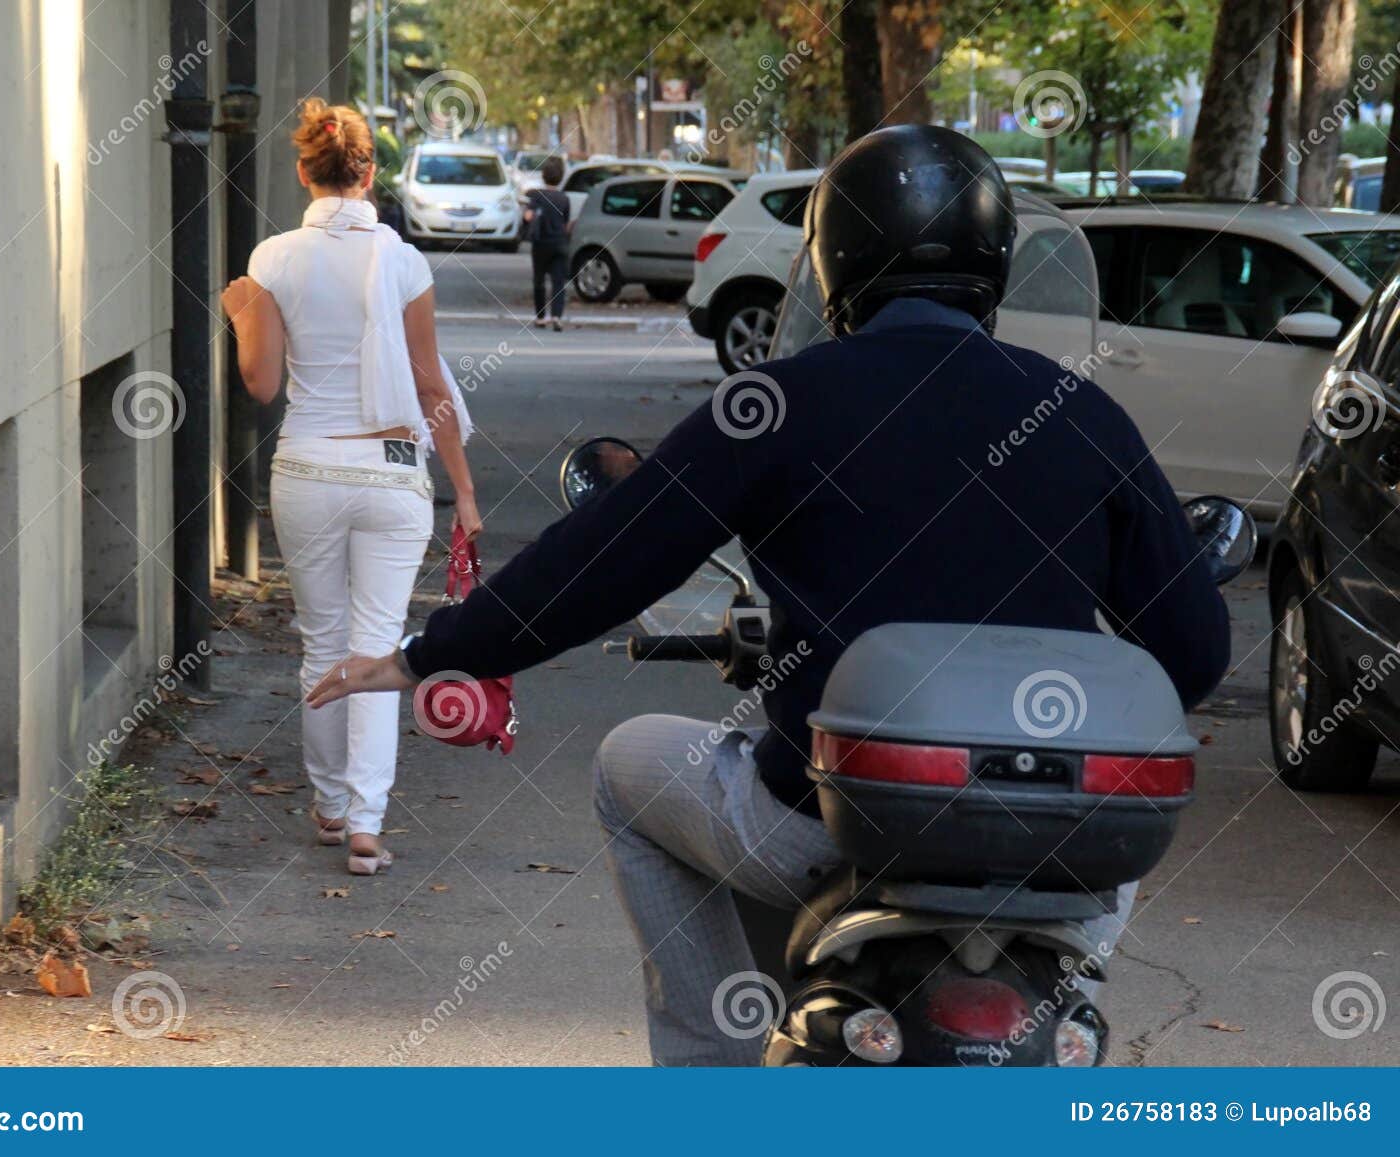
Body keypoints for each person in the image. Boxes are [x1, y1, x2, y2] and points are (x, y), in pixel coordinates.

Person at [305, 126, 1231, 1057]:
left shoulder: (778, 402)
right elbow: (1192, 654)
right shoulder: (1081, 412)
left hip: (823, 830)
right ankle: (1059, 1024)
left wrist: (432, 653)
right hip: (1060, 850)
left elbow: (604, 559)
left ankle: (715, 1064)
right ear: (999, 259)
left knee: (628, 764)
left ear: (834, 258)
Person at [220, 98, 482, 876]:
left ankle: (330, 805)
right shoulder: (402, 260)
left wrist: (242, 314)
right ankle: (367, 822)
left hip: (306, 468)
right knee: (379, 647)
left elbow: (261, 384)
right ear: (369, 174)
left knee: (320, 644)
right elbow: (430, 382)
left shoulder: (273, 259)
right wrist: (463, 490)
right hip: (392, 474)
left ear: (304, 171)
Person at [523, 157, 571, 331]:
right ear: (561, 177)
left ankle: (541, 316)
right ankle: (557, 316)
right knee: (558, 281)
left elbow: (528, 216)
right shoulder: (564, 198)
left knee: (539, 280)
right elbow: (565, 224)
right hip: (559, 242)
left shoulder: (537, 196)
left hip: (541, 243)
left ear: (543, 176)